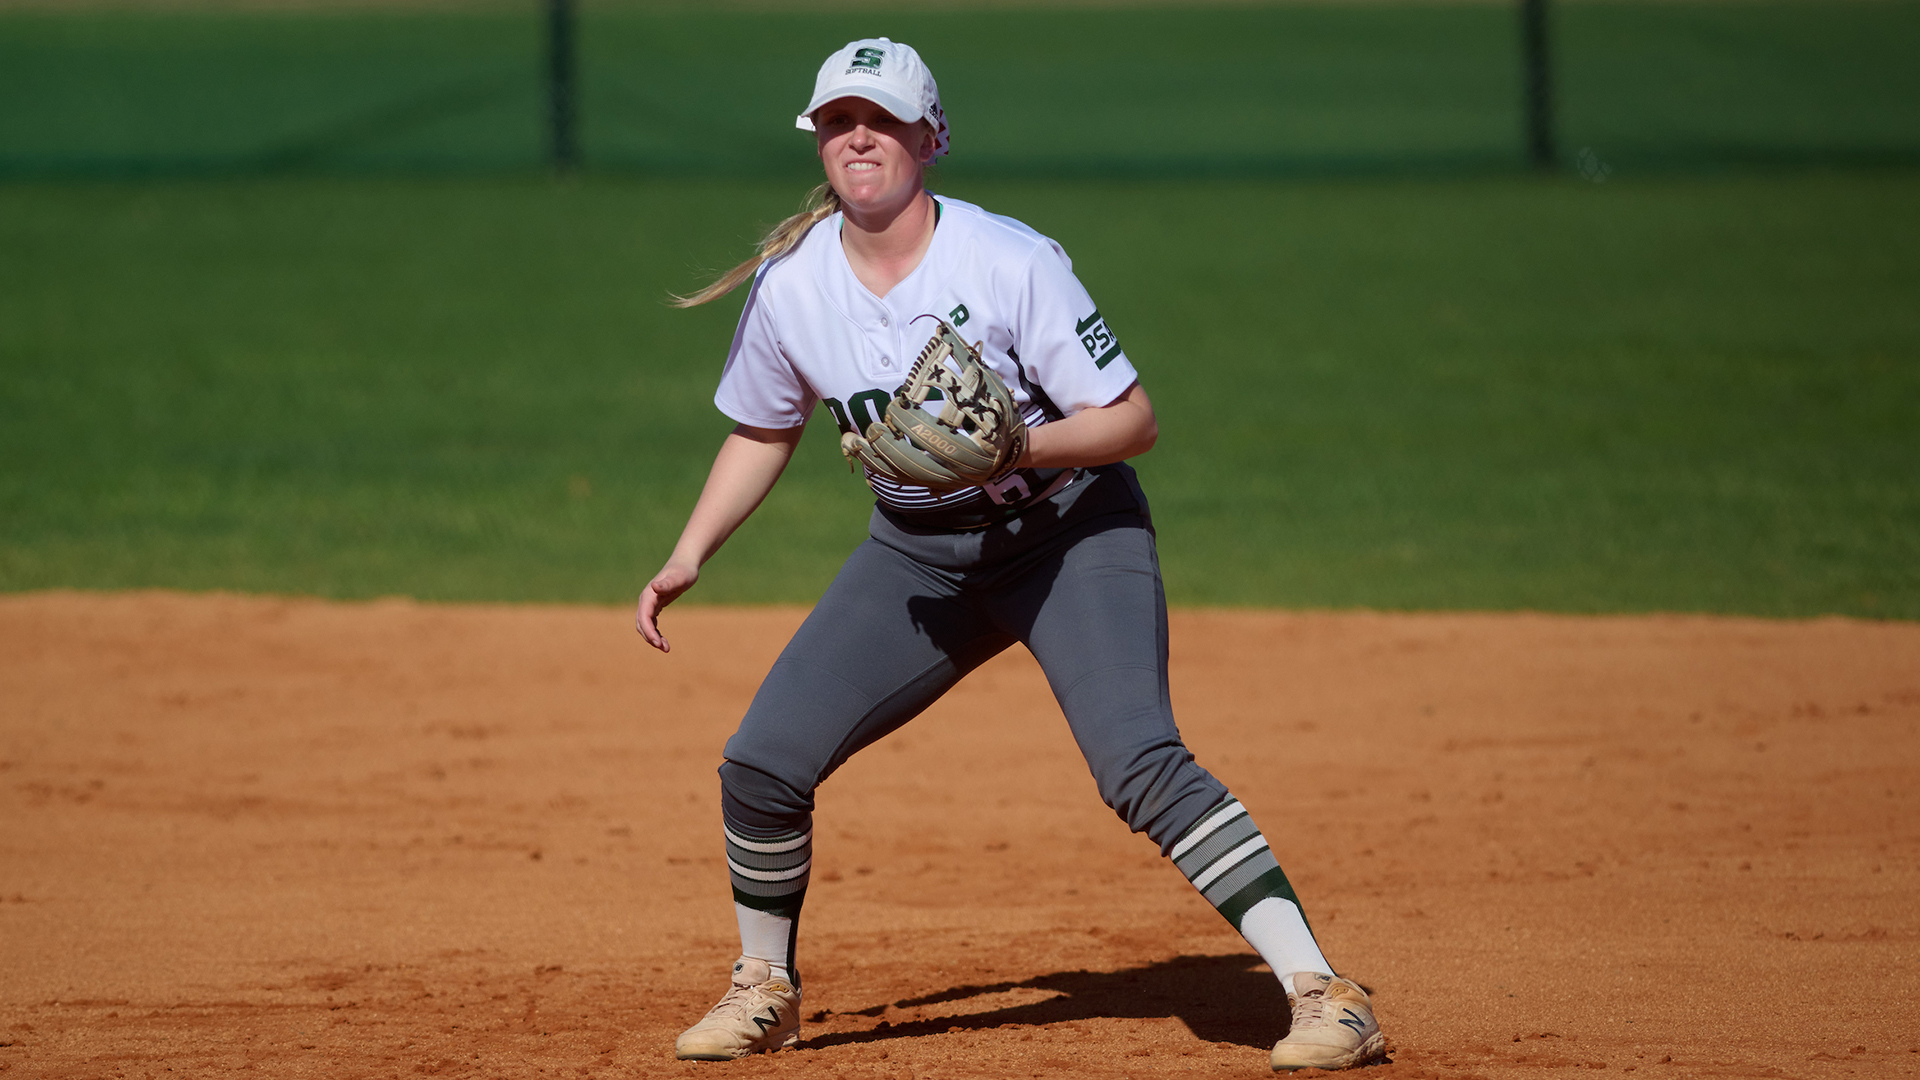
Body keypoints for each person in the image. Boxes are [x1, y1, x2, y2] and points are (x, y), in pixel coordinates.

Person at [635, 37, 1388, 1073]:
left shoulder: (1007, 260)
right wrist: (690, 553)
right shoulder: (794, 287)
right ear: (819, 141)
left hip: (1068, 535)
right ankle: (766, 989)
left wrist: (1016, 444)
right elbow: (764, 428)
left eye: (885, 120)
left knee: (1138, 762)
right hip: (918, 563)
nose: (862, 137)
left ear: (930, 138)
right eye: (840, 121)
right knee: (761, 764)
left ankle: (1325, 993)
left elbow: (1132, 421)